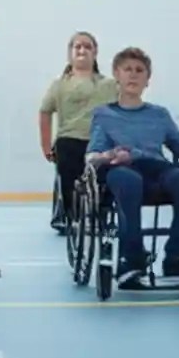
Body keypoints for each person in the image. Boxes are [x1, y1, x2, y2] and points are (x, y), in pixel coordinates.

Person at [86, 47, 179, 288]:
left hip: (157, 169)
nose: (133, 75)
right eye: (128, 69)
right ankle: (132, 259)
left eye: (140, 71)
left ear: (148, 80)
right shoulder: (103, 114)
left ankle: (176, 259)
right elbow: (93, 155)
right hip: (122, 169)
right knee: (128, 181)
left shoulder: (159, 114)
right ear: (117, 74)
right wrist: (110, 155)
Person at [39, 31, 118, 230]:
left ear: (95, 52)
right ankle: (72, 216)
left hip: (100, 143)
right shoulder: (59, 85)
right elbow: (45, 112)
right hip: (70, 140)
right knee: (68, 163)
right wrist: (46, 146)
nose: (82, 50)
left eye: (87, 46)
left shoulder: (109, 85)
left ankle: (101, 214)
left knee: (110, 172)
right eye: (78, 47)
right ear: (70, 53)